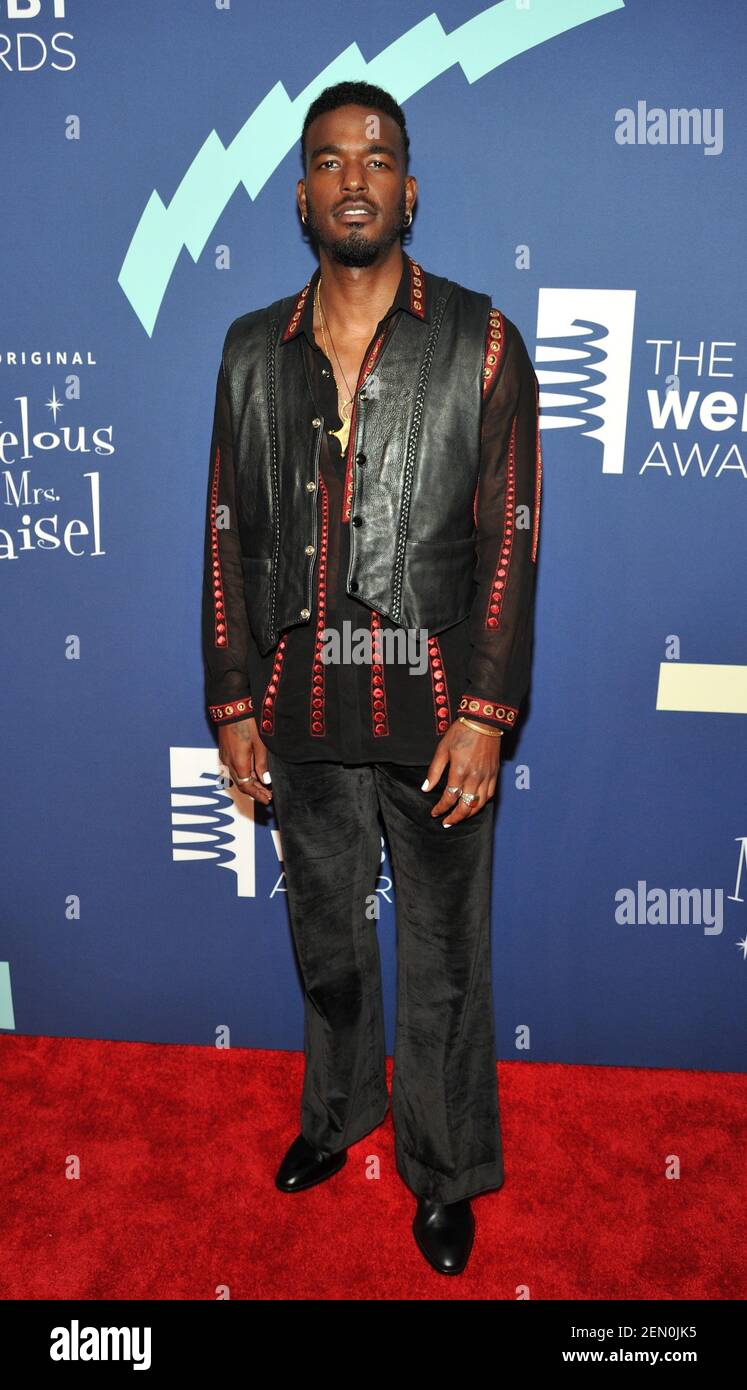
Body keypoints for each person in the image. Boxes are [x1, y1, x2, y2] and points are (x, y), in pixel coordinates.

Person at [201, 80, 542, 1275]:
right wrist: (233, 702)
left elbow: (510, 533)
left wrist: (491, 712)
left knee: (447, 956)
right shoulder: (253, 350)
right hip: (299, 703)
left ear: (409, 189)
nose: (355, 176)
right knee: (328, 940)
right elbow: (224, 530)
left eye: (378, 156)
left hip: (438, 700)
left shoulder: (485, 339)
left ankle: (444, 1170)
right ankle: (338, 1117)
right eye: (331, 157)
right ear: (301, 195)